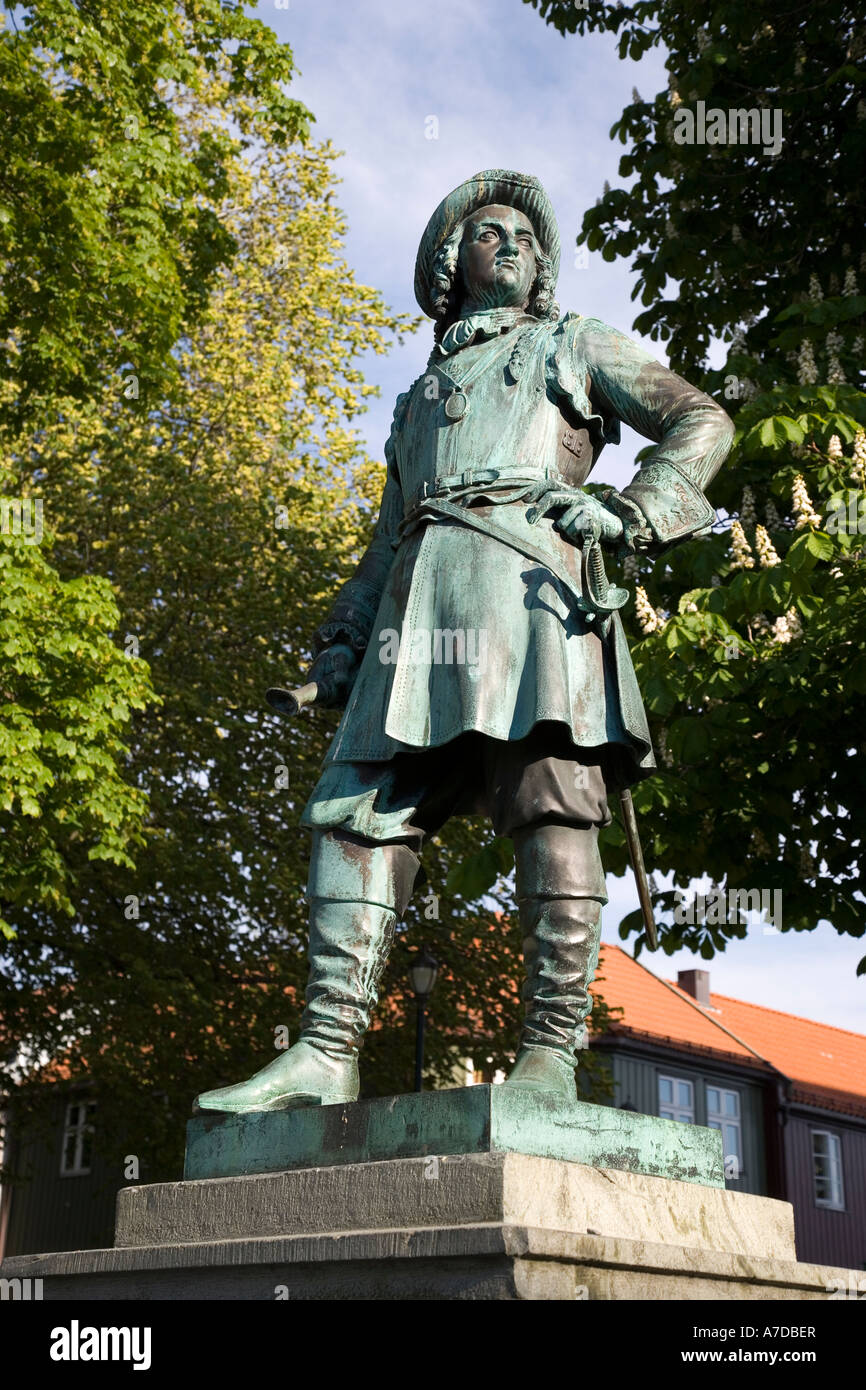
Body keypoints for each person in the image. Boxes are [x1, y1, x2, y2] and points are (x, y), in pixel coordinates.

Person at [195, 170, 733, 1114]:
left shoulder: (571, 344)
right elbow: (380, 547)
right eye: (491, 232)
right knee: (353, 813)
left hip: (533, 594)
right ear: (454, 263)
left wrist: (634, 513)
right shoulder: (415, 402)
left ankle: (549, 1054)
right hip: (417, 611)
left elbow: (700, 418)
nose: (514, 243)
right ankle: (325, 1050)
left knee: (552, 800)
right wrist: (344, 637)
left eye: (528, 235)